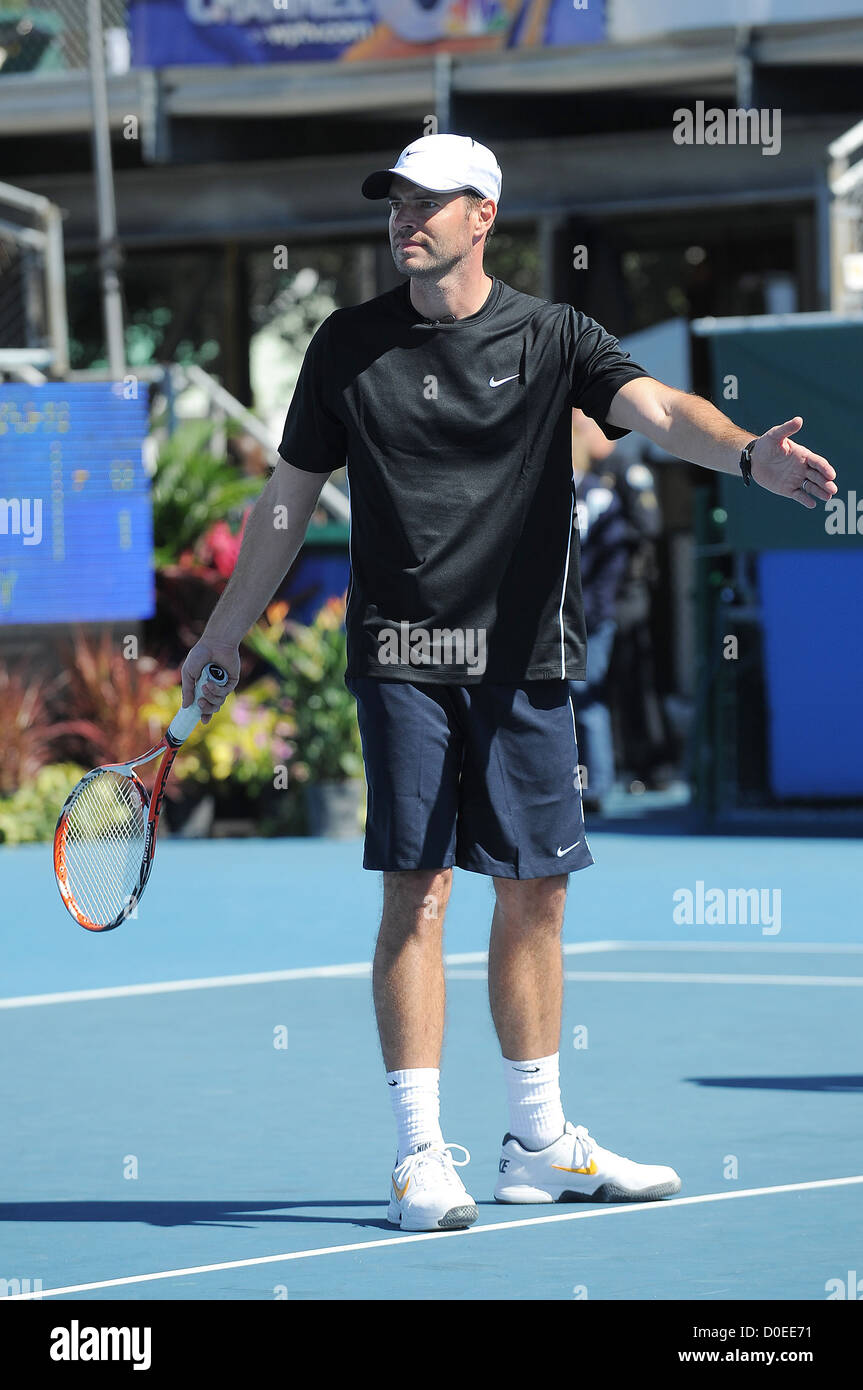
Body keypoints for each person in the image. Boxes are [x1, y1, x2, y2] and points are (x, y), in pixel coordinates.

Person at [181, 133, 837, 1233]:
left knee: (536, 891)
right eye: (393, 202)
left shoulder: (552, 336)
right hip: (402, 655)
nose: (403, 219)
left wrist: (744, 456)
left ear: (480, 214)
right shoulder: (344, 347)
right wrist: (224, 631)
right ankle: (416, 1156)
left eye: (425, 202)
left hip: (525, 659)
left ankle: (535, 1140)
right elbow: (288, 501)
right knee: (419, 887)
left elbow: (666, 412)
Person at [570, 409, 631, 813]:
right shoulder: (555, 492)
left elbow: (612, 561)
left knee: (584, 695)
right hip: (566, 615)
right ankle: (577, 784)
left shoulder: (598, 495)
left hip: (589, 617)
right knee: (570, 698)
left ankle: (595, 788)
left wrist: (590, 607)